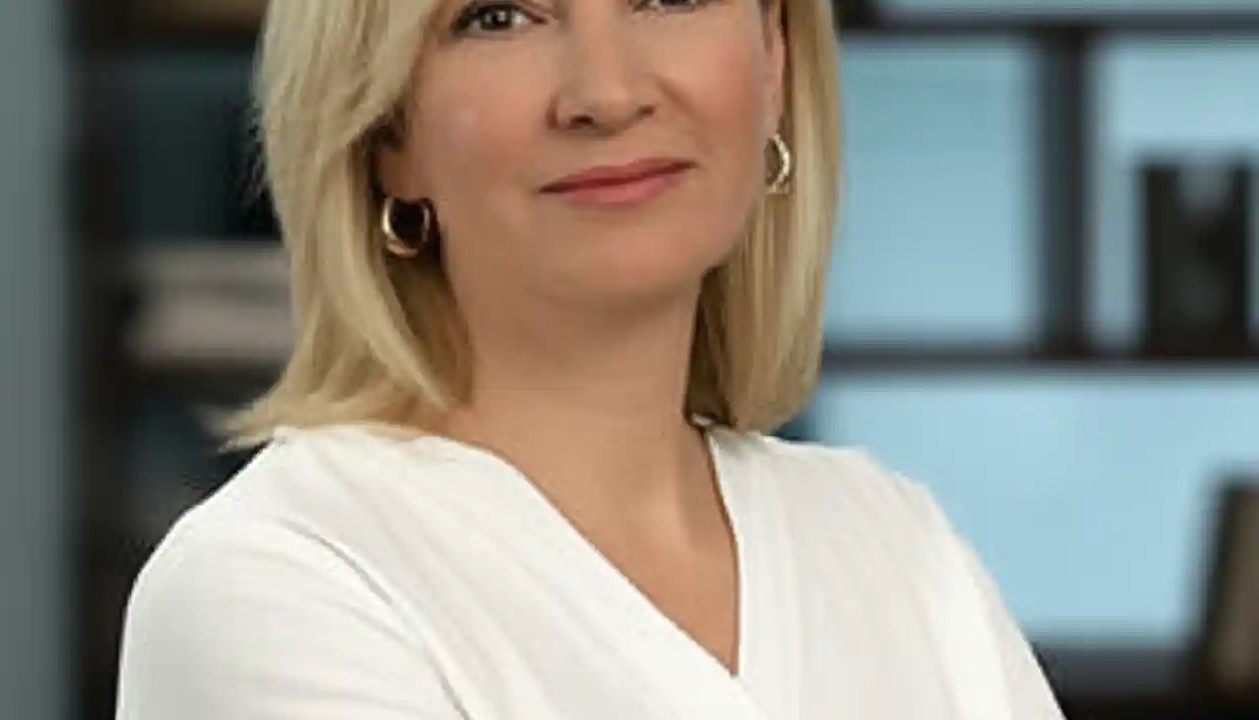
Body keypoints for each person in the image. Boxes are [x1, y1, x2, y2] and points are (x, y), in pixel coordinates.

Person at [114, 0, 1066, 717]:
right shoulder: (274, 583)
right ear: (387, 133)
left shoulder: (898, 547)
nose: (608, 95)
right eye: (498, 15)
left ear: (773, 59)